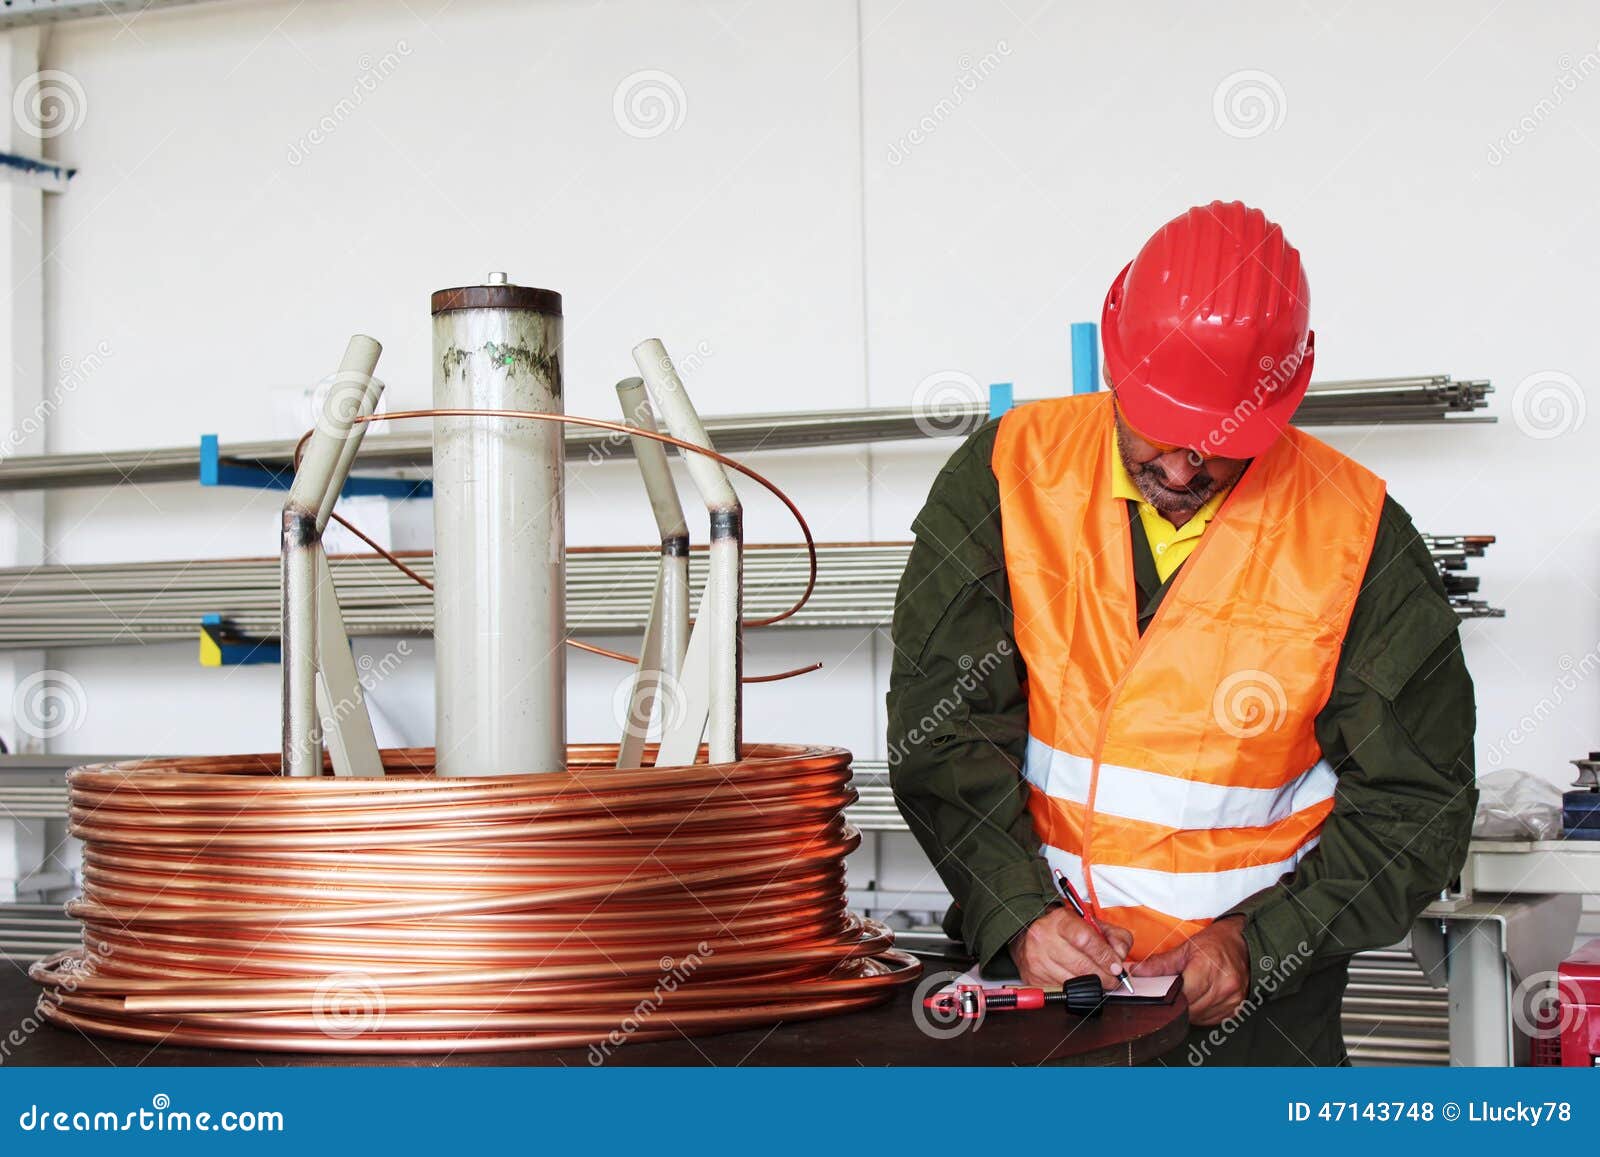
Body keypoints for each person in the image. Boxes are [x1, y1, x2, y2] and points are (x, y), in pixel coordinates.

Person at [887, 200, 1477, 1065]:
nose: (1176, 468)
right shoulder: (1007, 474)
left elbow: (1417, 803)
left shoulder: (1360, 536)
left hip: (1260, 1029)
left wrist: (1258, 943)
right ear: (1116, 367)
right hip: (1044, 1003)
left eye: (1213, 450)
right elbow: (944, 731)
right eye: (1155, 432)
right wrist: (1016, 912)